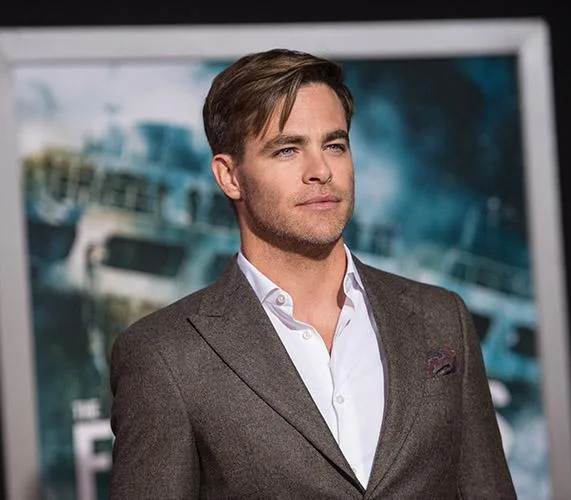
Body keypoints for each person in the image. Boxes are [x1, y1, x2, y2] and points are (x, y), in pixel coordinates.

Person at [108, 48, 517, 499]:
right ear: (230, 176)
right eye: (287, 150)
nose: (320, 171)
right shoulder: (164, 355)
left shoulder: (441, 318)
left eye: (334, 145)